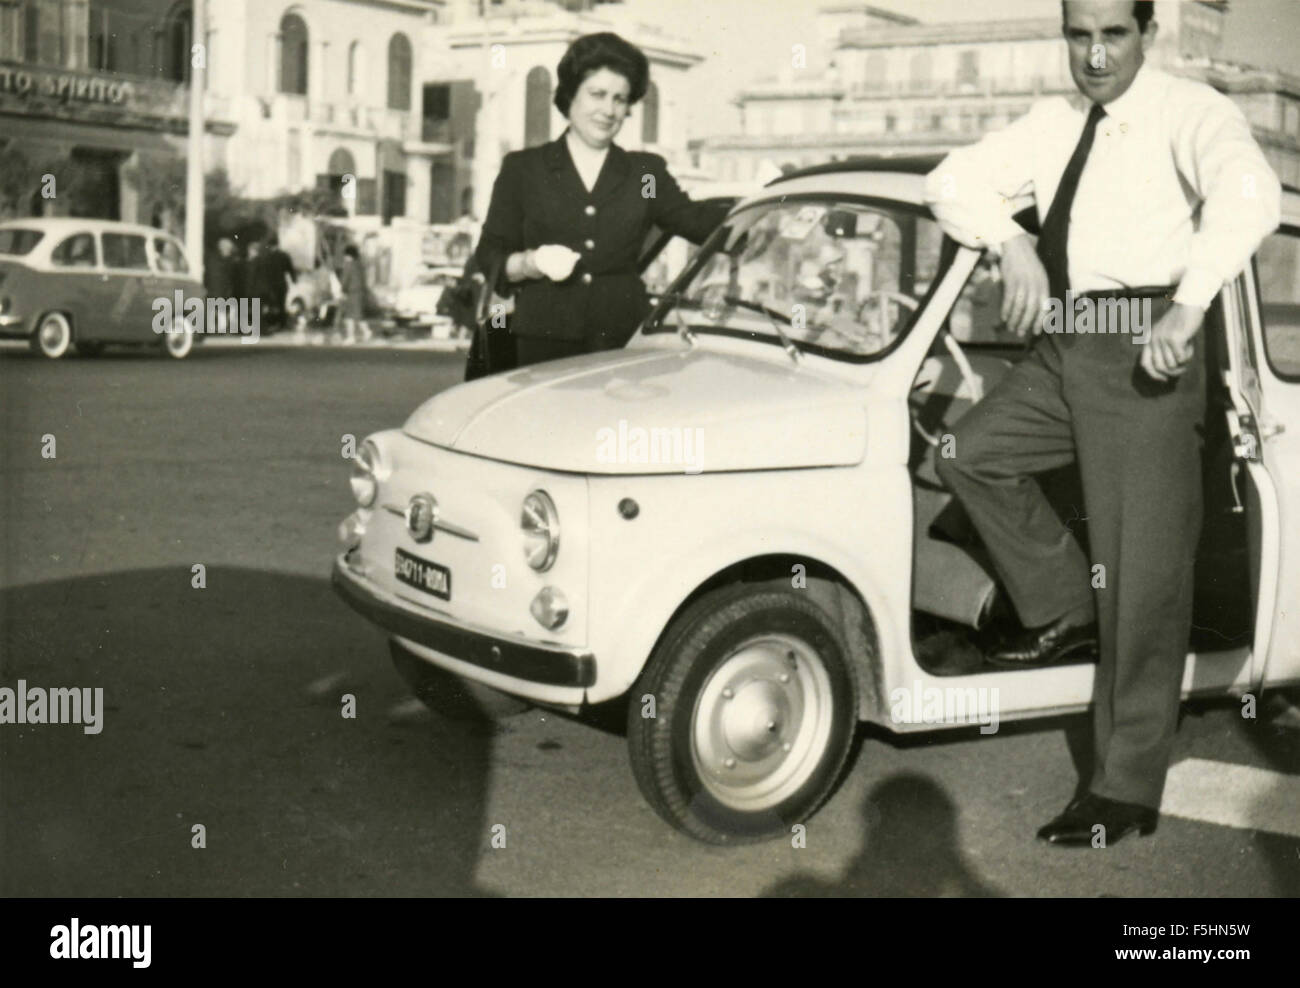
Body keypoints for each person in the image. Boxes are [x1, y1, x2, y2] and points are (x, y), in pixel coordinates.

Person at [923, 0, 1280, 847]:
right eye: (1078, 35)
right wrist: (1009, 241)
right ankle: (1063, 602)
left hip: (1146, 347)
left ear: (1147, 35)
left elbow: (1252, 194)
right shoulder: (1052, 122)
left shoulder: (1190, 110)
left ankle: (1124, 787)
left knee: (1141, 580)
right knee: (967, 452)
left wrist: (1189, 307)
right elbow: (949, 180)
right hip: (1064, 343)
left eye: (1113, 34)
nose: (1094, 54)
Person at [474, 31, 728, 369]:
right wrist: (531, 262)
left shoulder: (644, 176)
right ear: (570, 95)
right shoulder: (525, 170)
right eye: (597, 94)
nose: (608, 110)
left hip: (622, 343)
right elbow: (489, 254)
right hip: (544, 344)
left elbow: (691, 219)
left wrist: (767, 208)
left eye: (620, 99)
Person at [338, 244, 373, 345]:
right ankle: (367, 332)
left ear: (348, 255)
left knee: (349, 316)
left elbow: (345, 279)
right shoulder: (360, 265)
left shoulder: (348, 265)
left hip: (352, 293)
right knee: (358, 315)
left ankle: (351, 337)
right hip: (361, 292)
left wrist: (342, 290)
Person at [262, 234, 297, 331]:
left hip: (271, 285)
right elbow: (290, 269)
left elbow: (265, 272)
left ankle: (273, 323)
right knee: (281, 304)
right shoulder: (284, 256)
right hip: (282, 284)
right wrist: (294, 280)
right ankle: (282, 324)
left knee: (272, 305)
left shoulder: (267, 257)